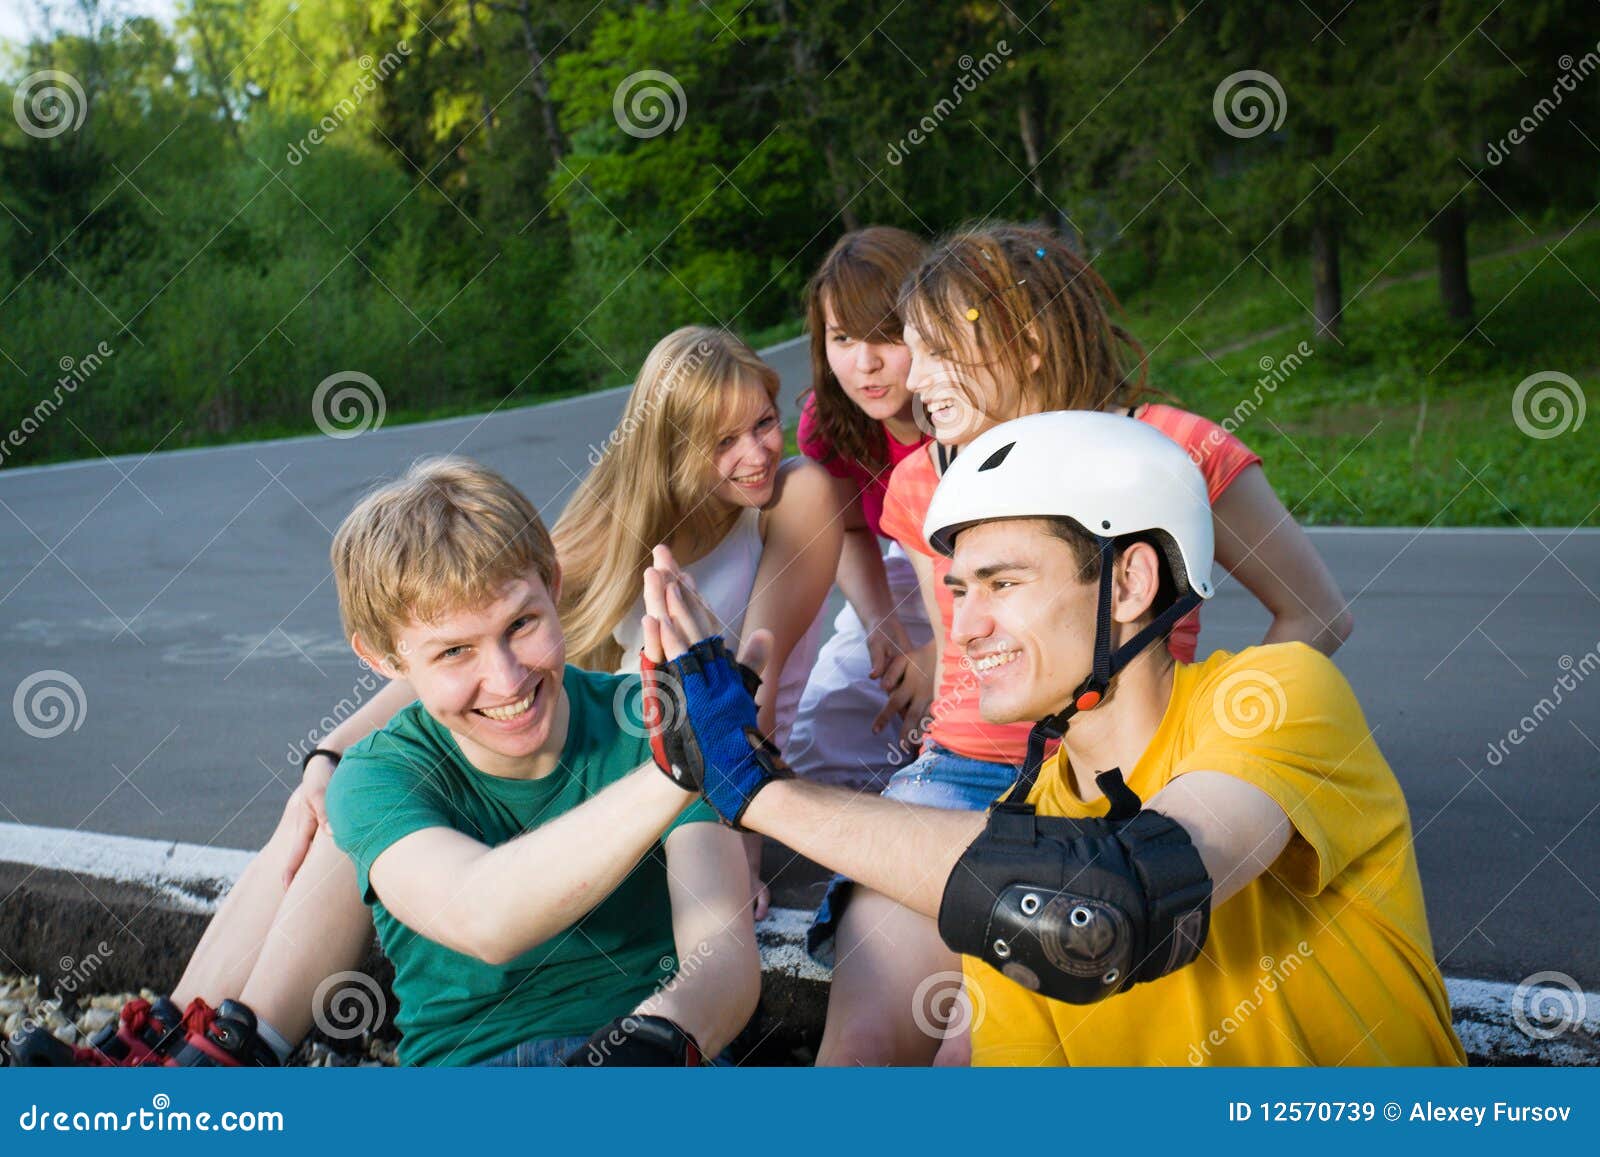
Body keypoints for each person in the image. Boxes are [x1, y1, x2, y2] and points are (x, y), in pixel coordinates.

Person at [10, 326, 832, 1065]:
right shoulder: (386, 777)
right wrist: (677, 769)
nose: (507, 679)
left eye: (521, 626)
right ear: (384, 658)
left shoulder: (640, 722)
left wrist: (656, 1037)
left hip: (654, 1052)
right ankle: (193, 1049)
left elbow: (722, 957)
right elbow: (484, 912)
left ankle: (206, 1052)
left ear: (555, 587)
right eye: (454, 652)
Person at [640, 410, 1465, 1067]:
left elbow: (1109, 907)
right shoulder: (1022, 823)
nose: (964, 627)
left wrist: (756, 787)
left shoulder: (1276, 693)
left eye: (1004, 582)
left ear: (1131, 581)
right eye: (958, 590)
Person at [811, 221, 1355, 1065]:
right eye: (907, 351)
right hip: (956, 778)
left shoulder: (1170, 450)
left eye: (936, 350)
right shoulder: (929, 477)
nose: (913, 379)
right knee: (863, 1045)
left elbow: (1315, 614)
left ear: (1026, 343)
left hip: (1121, 788)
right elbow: (965, 658)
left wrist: (1236, 749)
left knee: (974, 1058)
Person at [786, 227, 936, 790]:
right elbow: (850, 527)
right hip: (909, 567)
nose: (864, 363)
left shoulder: (965, 409)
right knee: (818, 737)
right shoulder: (828, 424)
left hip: (1001, 581)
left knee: (959, 717)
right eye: (843, 338)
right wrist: (884, 625)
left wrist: (942, 653)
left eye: (886, 335)